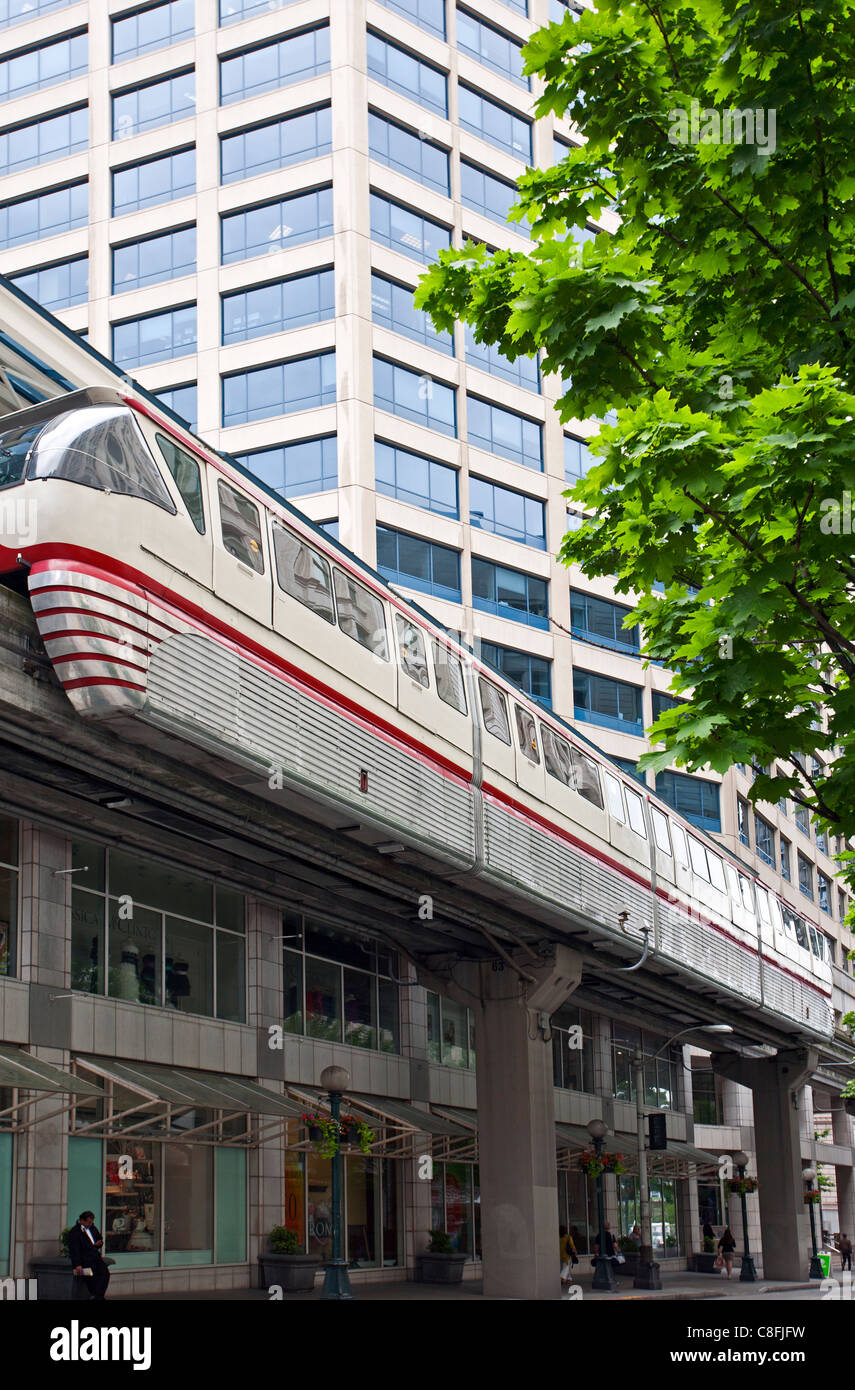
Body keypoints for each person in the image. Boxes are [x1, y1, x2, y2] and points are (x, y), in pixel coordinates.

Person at [68, 1210, 110, 1299]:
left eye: (91, 1222)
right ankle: (96, 1296)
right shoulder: (75, 1232)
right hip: (85, 1260)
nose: (90, 1224)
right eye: (88, 1222)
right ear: (82, 1221)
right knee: (92, 1279)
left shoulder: (92, 1228)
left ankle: (98, 1295)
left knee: (105, 1274)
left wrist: (99, 1243)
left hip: (95, 1257)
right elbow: (74, 1249)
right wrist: (77, 1264)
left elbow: (99, 1237)